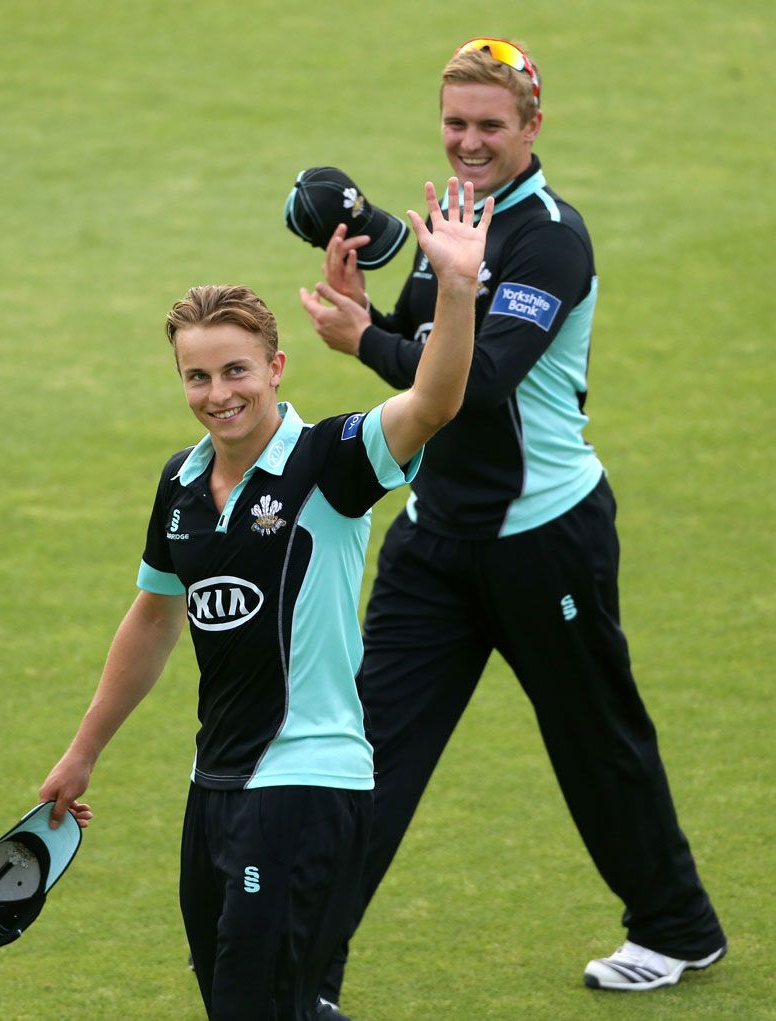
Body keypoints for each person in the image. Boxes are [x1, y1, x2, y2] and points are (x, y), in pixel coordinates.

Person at [299, 38, 726, 1012]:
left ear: (532, 128)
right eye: (455, 122)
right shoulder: (456, 216)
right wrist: (373, 318)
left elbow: (479, 383)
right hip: (436, 540)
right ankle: (307, 982)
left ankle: (676, 927)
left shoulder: (551, 240)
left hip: (547, 538)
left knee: (595, 740)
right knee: (360, 751)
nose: (469, 141)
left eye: (491, 124)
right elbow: (425, 368)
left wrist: (358, 336)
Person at [38, 180, 494, 1020]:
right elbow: (152, 616)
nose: (220, 393)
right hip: (215, 783)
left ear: (276, 368)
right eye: (198, 375)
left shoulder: (331, 462)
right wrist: (82, 751)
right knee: (244, 1003)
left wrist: (457, 291)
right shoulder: (179, 483)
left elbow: (435, 403)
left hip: (309, 783)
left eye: (236, 370)